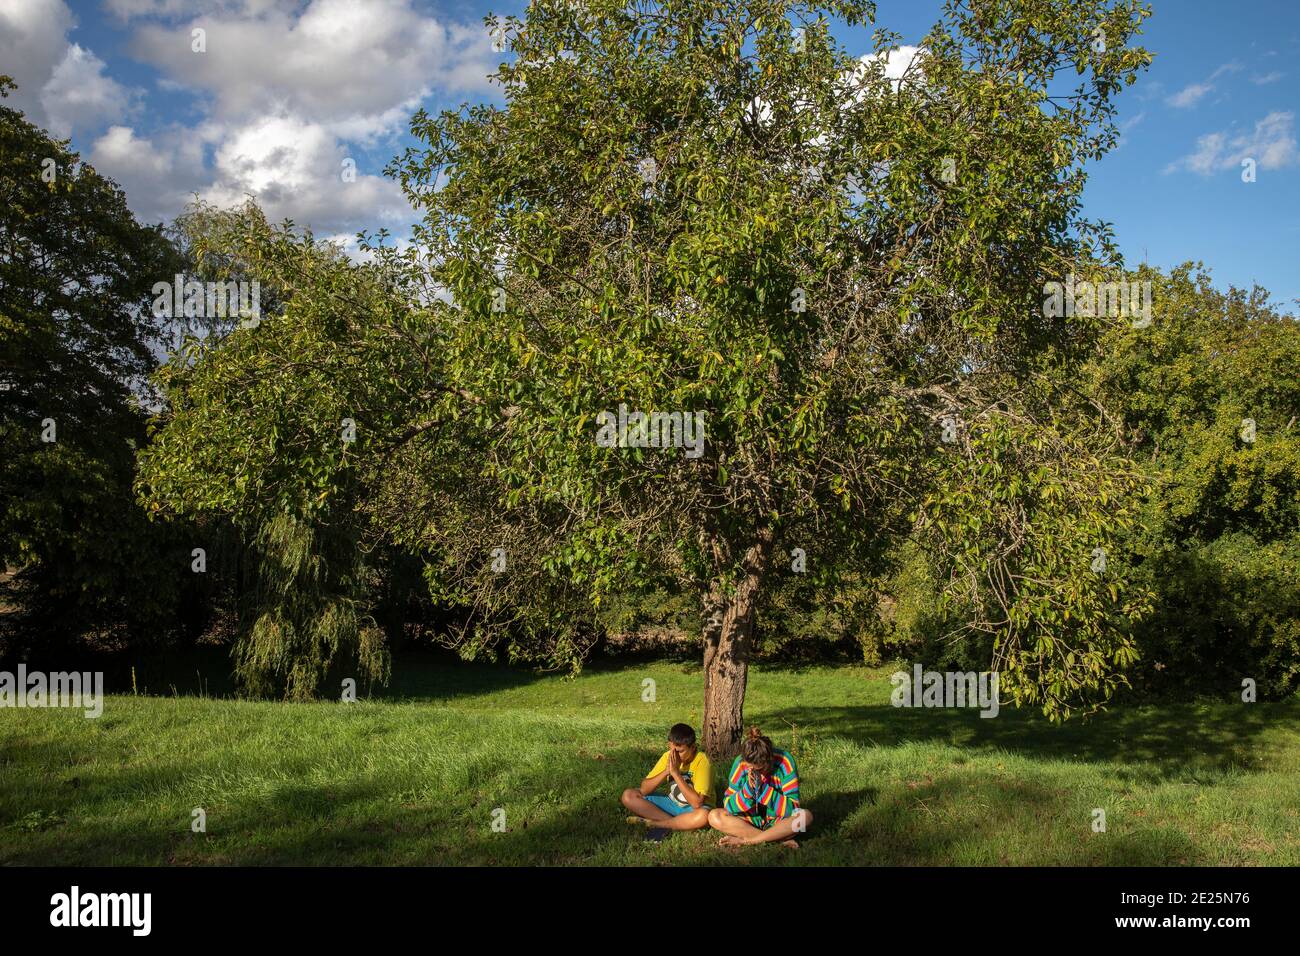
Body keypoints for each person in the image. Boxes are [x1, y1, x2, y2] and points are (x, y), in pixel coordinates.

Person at [708, 726, 812, 848]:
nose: (756, 773)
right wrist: (748, 791)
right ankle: (776, 839)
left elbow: (793, 808)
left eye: (760, 769)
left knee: (805, 817)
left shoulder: (785, 761)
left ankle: (748, 840)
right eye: (750, 768)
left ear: (770, 760)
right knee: (714, 816)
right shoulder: (740, 763)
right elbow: (729, 806)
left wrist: (764, 791)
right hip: (748, 821)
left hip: (778, 821)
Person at [620, 723, 713, 831]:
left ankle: (658, 824)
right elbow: (644, 790)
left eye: (679, 751)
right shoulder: (668, 756)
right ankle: (674, 823)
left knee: (704, 816)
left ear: (692, 747)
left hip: (693, 810)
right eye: (671, 750)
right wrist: (666, 771)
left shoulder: (703, 761)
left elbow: (697, 803)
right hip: (671, 803)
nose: (674, 755)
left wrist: (676, 774)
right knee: (629, 795)